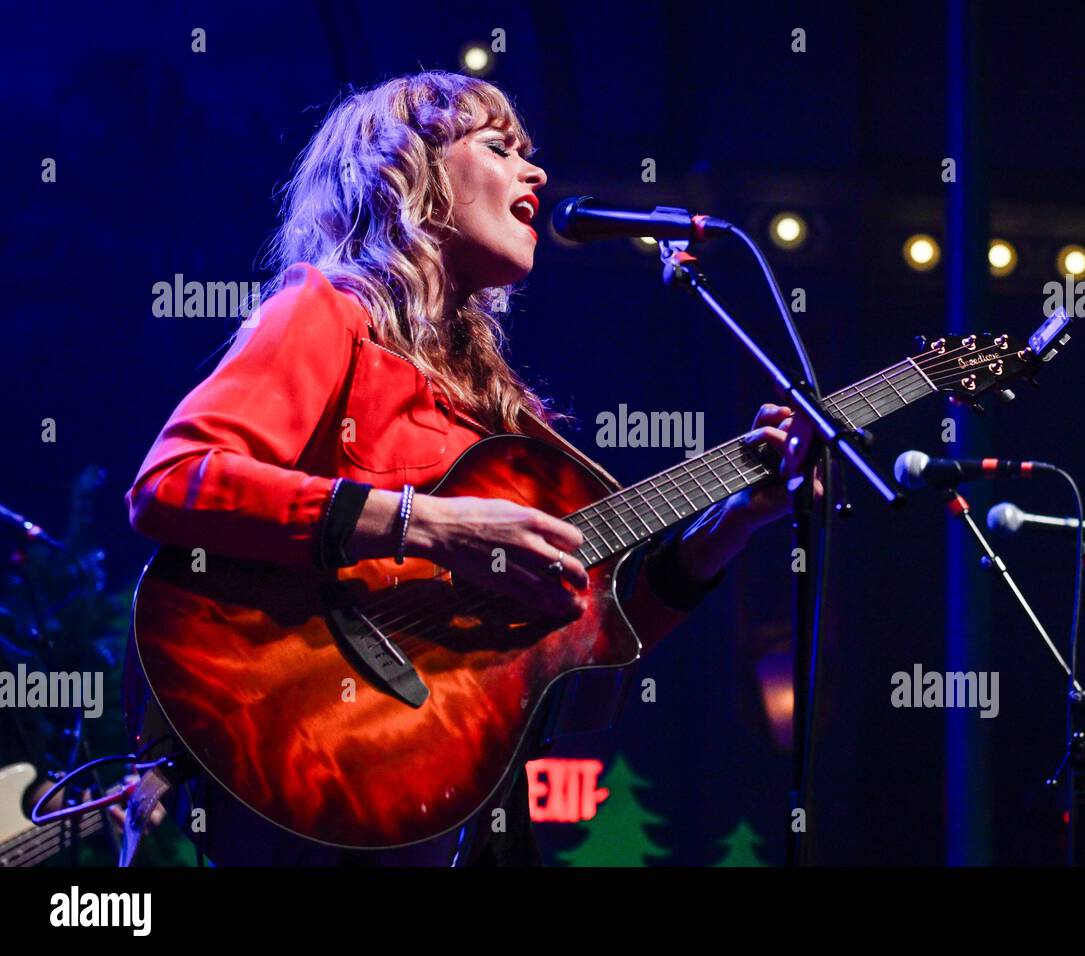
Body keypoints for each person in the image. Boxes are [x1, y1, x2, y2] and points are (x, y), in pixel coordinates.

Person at [123, 70, 815, 866]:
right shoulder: (328, 312)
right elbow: (173, 481)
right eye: (500, 147)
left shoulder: (512, 420)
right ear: (410, 174)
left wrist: (742, 514)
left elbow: (601, 632)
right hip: (320, 755)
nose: (538, 173)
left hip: (473, 801)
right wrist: (432, 526)